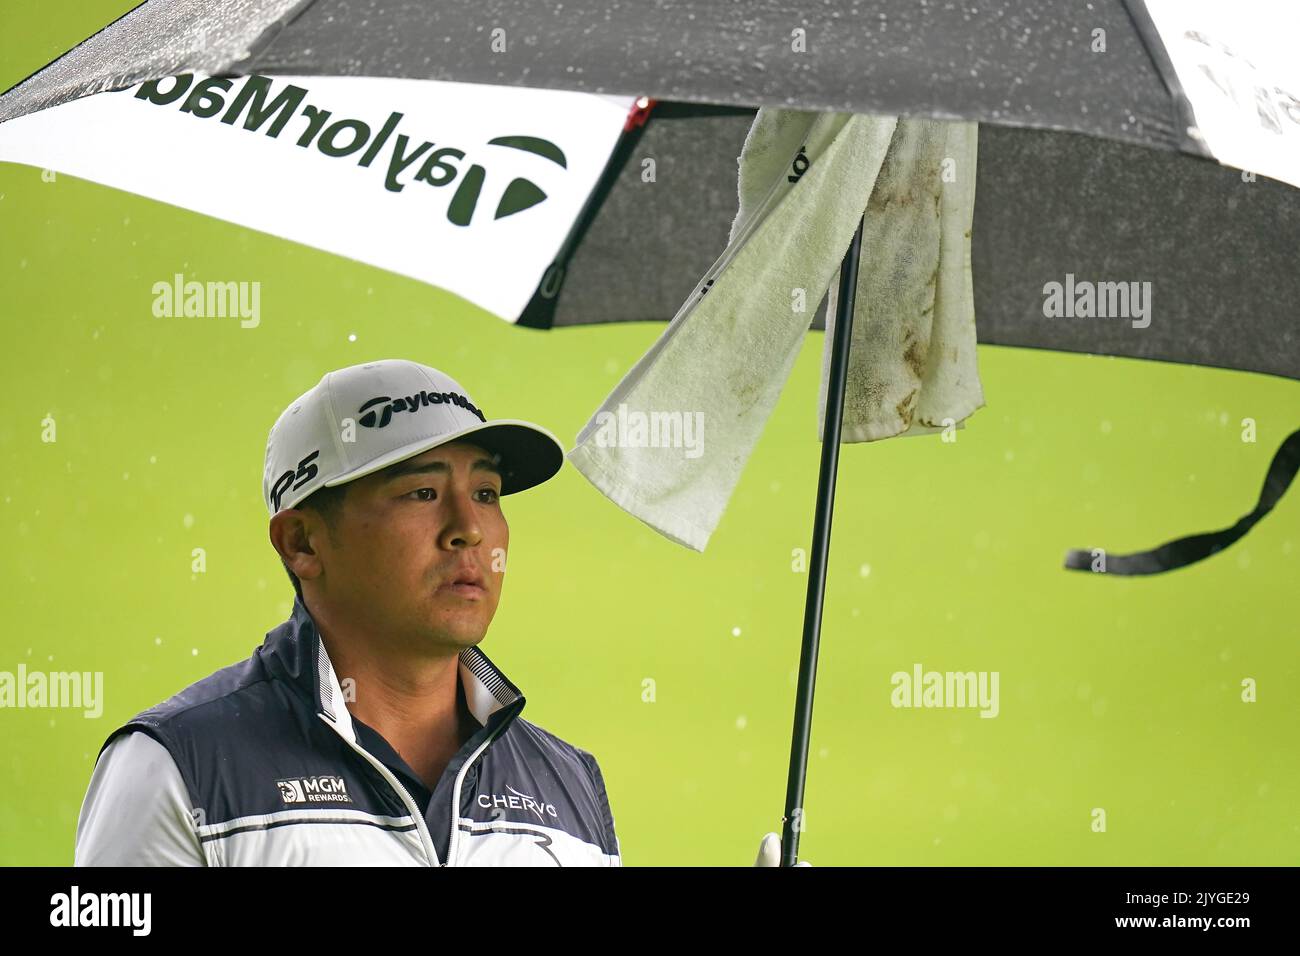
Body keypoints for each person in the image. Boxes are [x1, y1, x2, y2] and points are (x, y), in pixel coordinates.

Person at [74, 359, 619, 866]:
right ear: (302, 542)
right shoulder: (175, 764)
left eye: (486, 492)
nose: (469, 529)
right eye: (422, 492)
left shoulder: (568, 783)